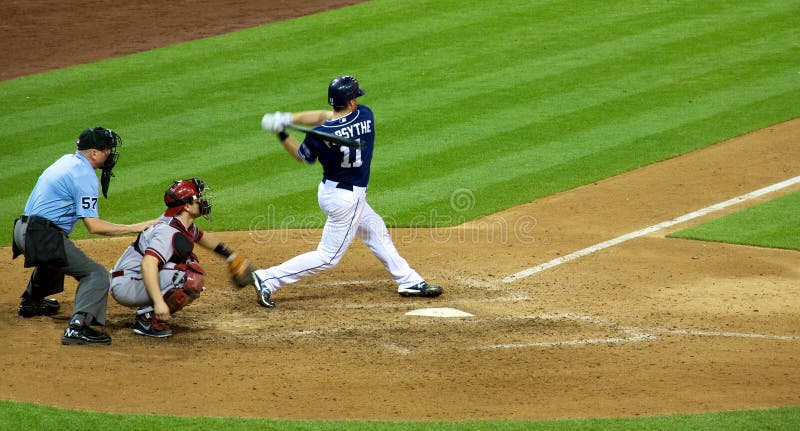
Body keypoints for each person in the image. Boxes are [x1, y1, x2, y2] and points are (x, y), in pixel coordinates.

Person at [253, 75, 443, 308]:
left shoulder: (317, 136)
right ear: (351, 102)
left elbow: (302, 155)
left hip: (332, 193)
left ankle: (408, 280)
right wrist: (287, 120)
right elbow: (327, 117)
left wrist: (282, 130)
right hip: (347, 200)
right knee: (328, 257)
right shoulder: (366, 115)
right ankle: (268, 278)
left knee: (374, 229)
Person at [12, 126, 156, 345]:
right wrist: (135, 226)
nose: (109, 153)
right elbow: (94, 226)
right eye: (106, 149)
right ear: (94, 153)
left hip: (21, 231)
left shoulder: (67, 160)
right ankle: (78, 327)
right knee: (96, 274)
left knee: (56, 252)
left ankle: (32, 302)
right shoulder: (84, 175)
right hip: (40, 235)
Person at [109, 178, 255, 338]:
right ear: (186, 206)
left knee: (186, 264)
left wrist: (231, 257)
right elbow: (148, 265)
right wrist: (159, 303)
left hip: (132, 279)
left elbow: (202, 237)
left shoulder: (182, 223)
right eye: (198, 198)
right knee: (189, 276)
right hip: (127, 285)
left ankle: (151, 310)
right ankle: (147, 319)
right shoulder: (168, 231)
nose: (203, 201)